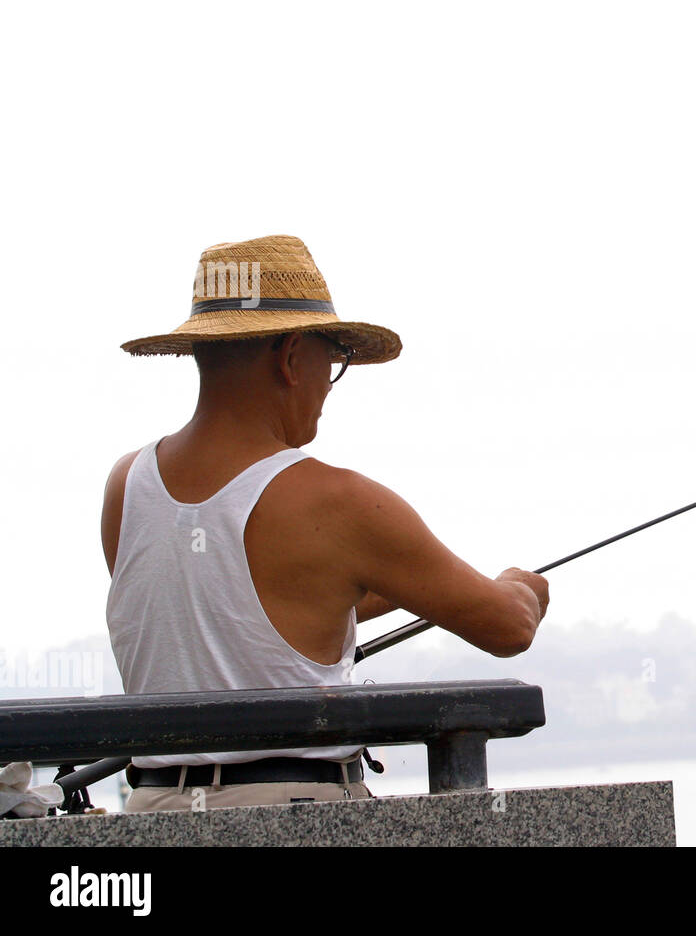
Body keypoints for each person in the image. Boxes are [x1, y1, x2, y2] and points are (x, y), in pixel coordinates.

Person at [101, 234, 549, 812]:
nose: (326, 391)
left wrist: (407, 590)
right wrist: (520, 586)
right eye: (332, 364)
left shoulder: (127, 485)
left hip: (151, 812)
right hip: (293, 810)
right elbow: (508, 628)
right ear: (291, 357)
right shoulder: (337, 500)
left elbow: (237, 616)